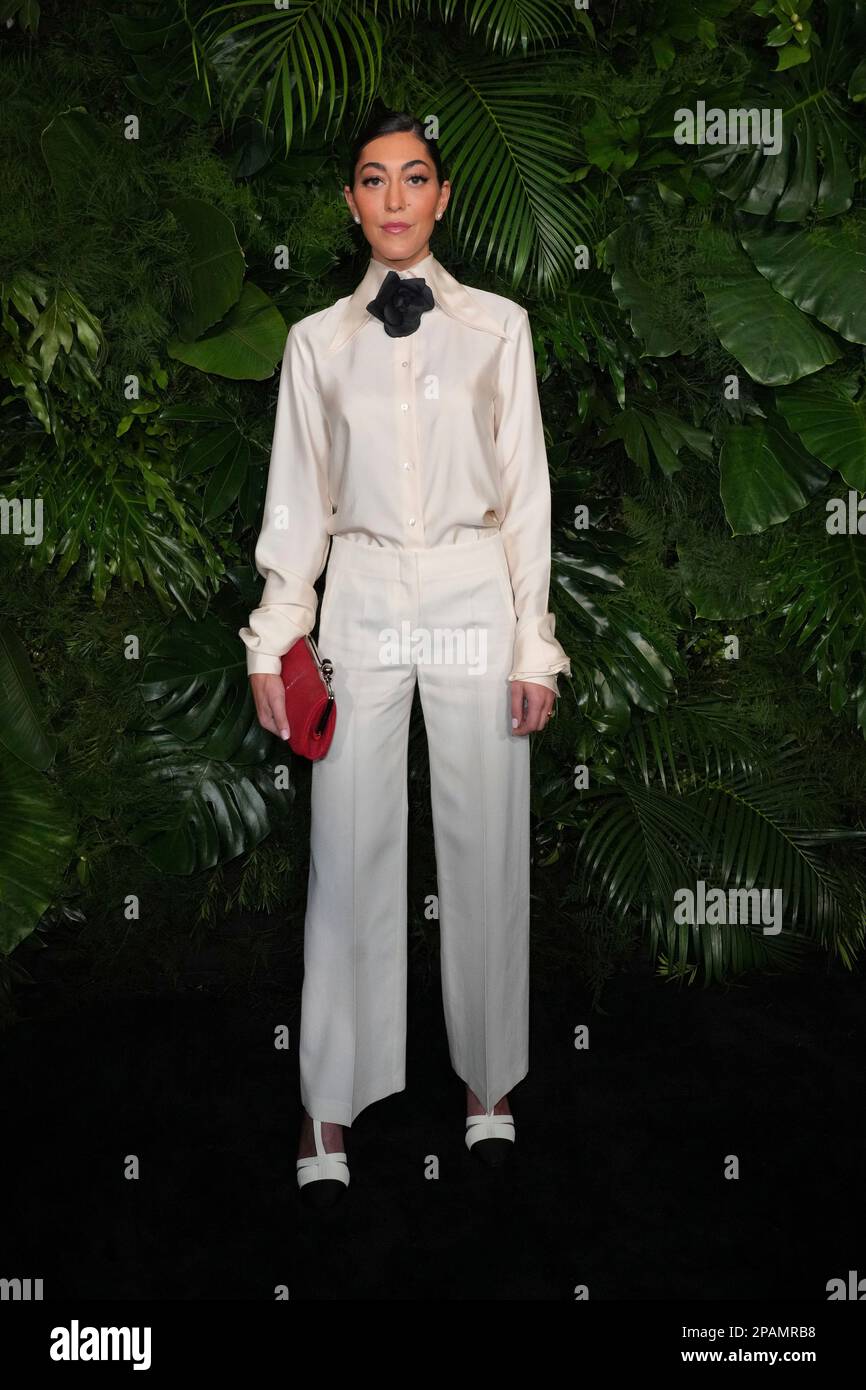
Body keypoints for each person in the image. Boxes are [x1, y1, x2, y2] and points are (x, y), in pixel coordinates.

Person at [240, 111, 571, 1208]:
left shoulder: (499, 328)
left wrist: (532, 644)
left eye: (413, 177)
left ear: (441, 198)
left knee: (487, 840)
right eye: (373, 180)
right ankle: (328, 1096)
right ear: (351, 203)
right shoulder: (314, 344)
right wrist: (273, 636)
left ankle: (489, 1078)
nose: (393, 197)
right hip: (364, 591)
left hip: (476, 585)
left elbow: (527, 494)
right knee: (347, 847)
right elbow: (296, 504)